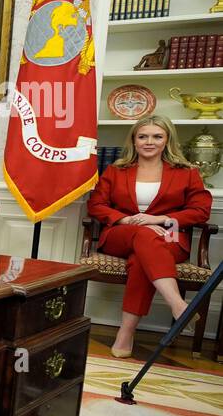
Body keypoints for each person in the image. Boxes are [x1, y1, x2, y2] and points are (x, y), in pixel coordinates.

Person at [87, 116, 213, 358]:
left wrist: (157, 219)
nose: (149, 142)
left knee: (141, 260)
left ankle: (125, 334)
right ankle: (177, 304)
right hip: (120, 235)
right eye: (142, 136)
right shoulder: (116, 170)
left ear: (167, 141)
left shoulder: (187, 173)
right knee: (143, 236)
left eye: (157, 136)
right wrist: (126, 219)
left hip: (169, 238)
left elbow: (200, 211)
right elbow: (96, 204)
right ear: (134, 141)